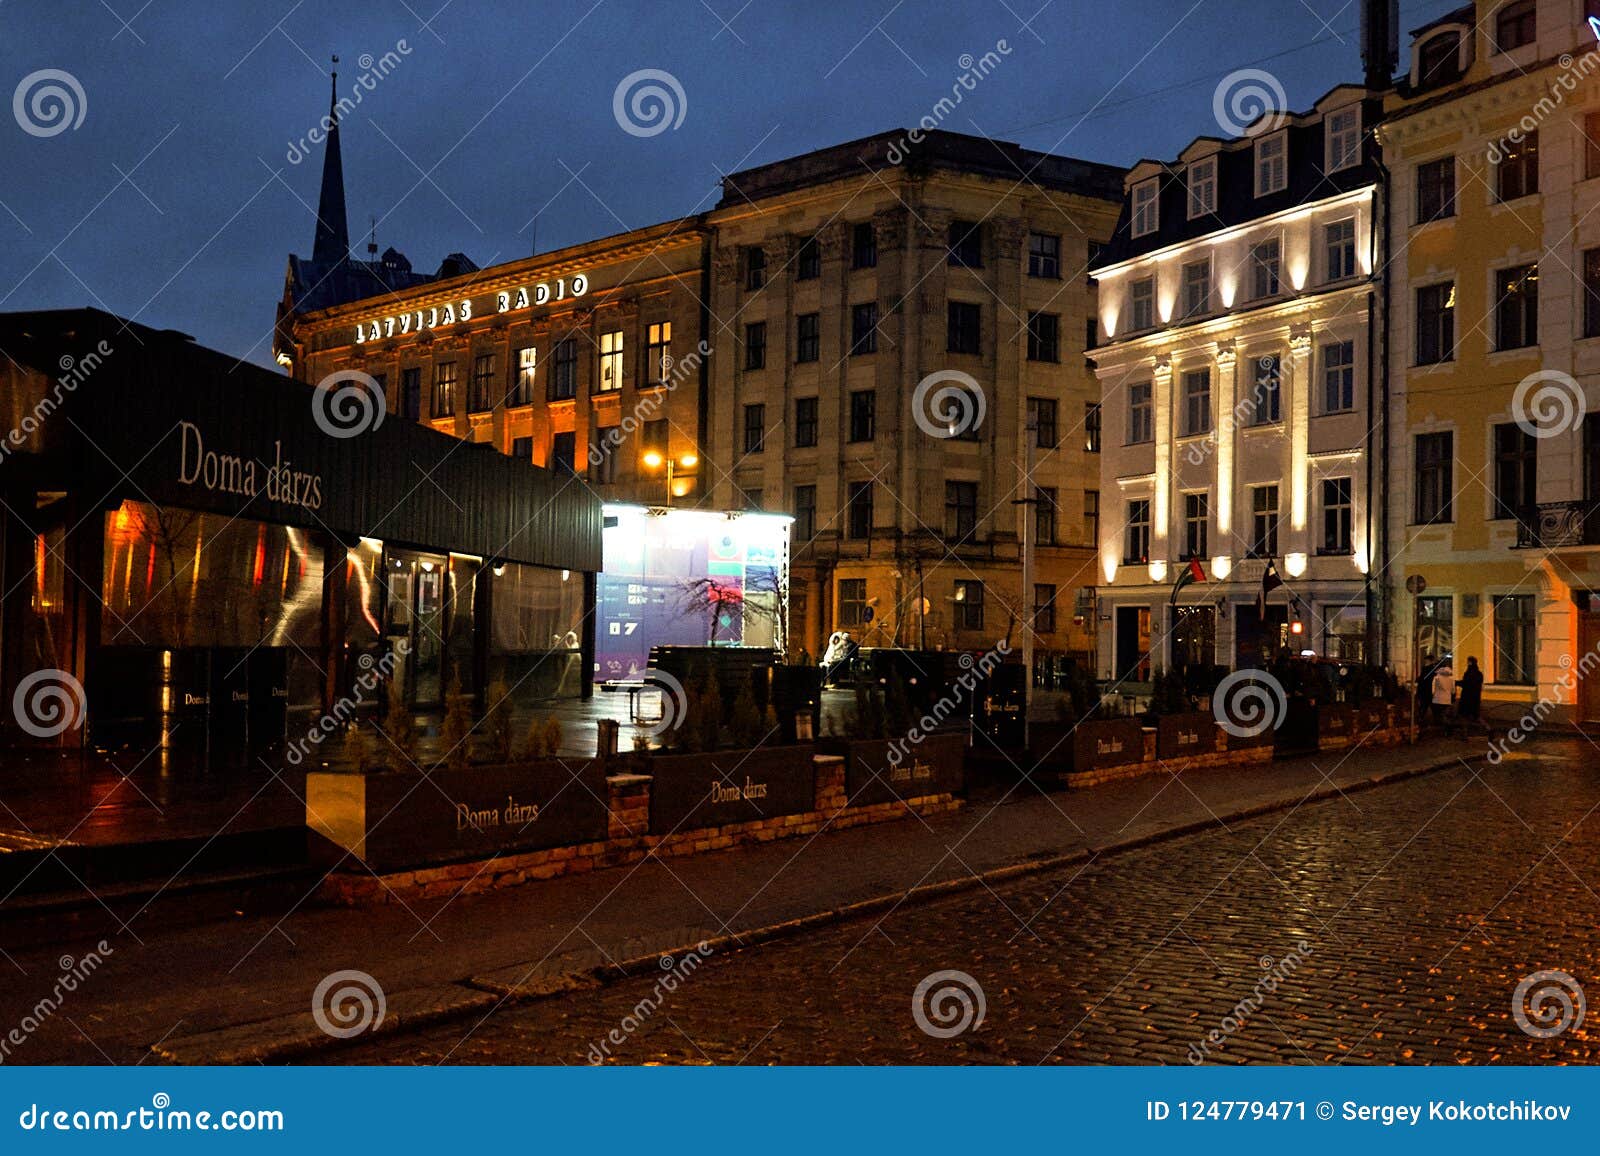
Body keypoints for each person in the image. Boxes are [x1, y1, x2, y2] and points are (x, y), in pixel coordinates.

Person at [1457, 656, 1485, 734]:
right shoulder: (1479, 673)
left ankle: (1465, 733)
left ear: (1470, 662)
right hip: (1475, 697)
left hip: (1467, 697)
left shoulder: (1469, 673)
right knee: (1476, 716)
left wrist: (1456, 683)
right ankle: (1486, 729)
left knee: (1464, 716)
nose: (1467, 663)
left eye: (1468, 662)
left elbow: (1466, 683)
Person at [1431, 656, 1455, 730]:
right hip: (1447, 699)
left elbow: (1433, 690)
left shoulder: (1436, 678)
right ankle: (1447, 727)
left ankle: (1445, 726)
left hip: (1437, 699)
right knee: (1445, 714)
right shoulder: (1451, 679)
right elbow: (1453, 691)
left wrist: (1433, 695)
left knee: (1439, 714)